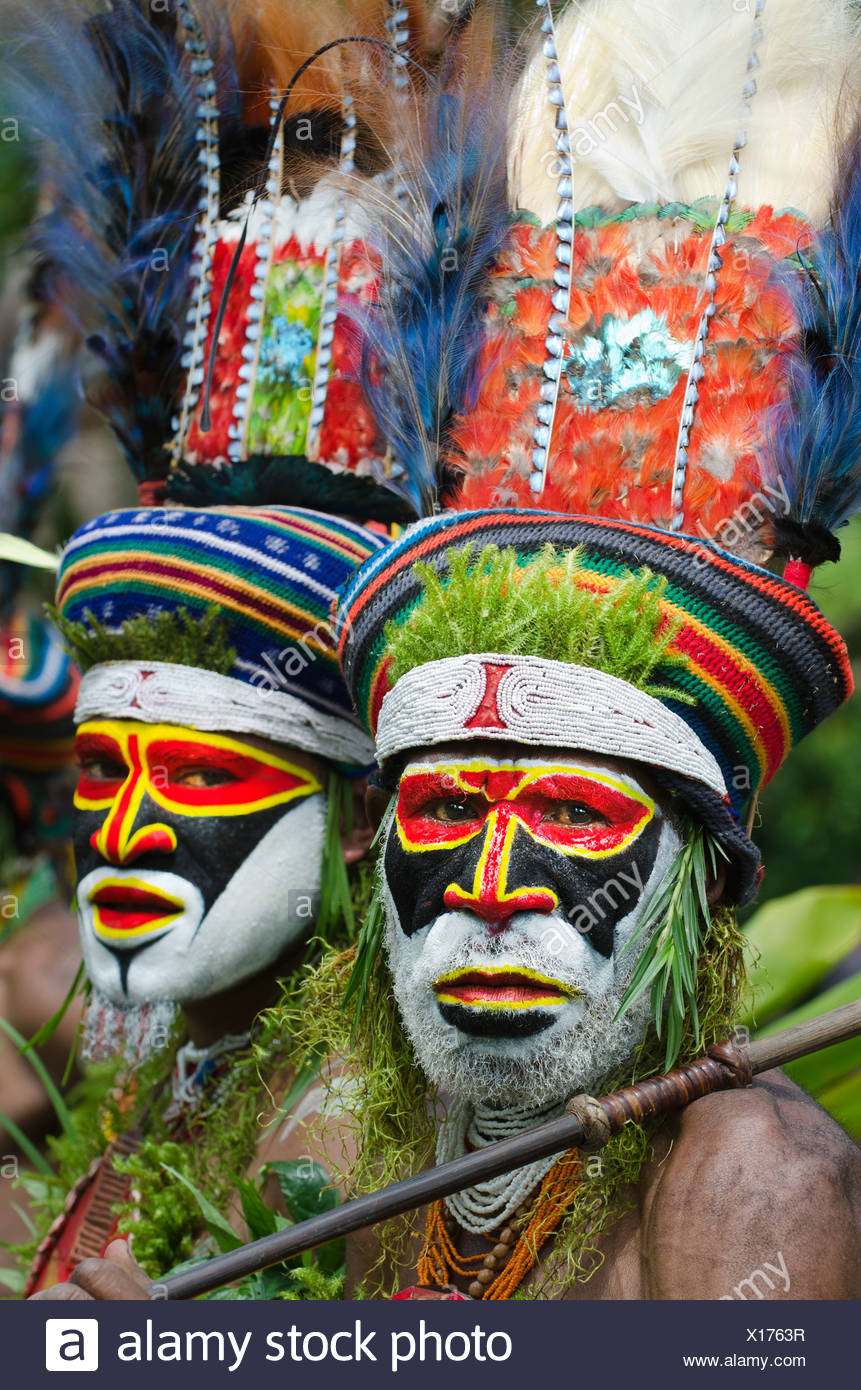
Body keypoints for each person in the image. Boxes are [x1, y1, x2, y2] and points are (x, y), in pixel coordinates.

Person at [301, 0, 861, 1298]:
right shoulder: (338, 1139)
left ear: (704, 877)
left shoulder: (748, 1191)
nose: (493, 884)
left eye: (565, 805)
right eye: (445, 808)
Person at [4, 0, 429, 1296]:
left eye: (196, 778)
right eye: (107, 777)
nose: (124, 833)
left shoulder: (356, 1127)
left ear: (358, 812)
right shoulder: (173, 1068)